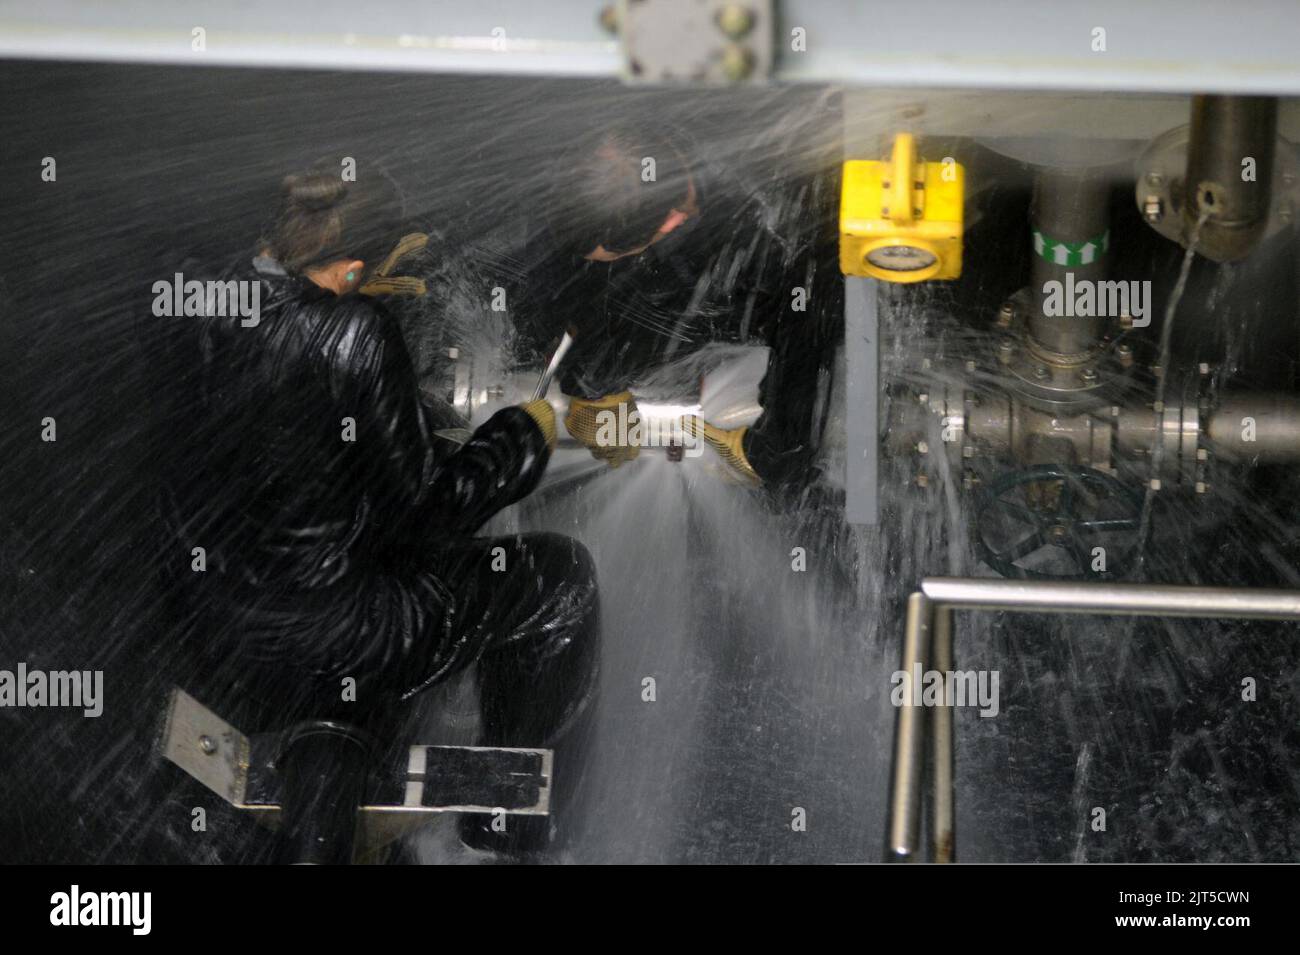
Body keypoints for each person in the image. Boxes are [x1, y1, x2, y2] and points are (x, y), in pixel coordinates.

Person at [157, 164, 600, 860]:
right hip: (344, 630)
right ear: (356, 266)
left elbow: (269, 434)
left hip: (213, 613)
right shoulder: (356, 333)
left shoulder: (187, 303)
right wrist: (522, 437)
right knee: (562, 580)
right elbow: (429, 511)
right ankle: (509, 828)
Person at [515, 125, 841, 490]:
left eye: (638, 243)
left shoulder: (768, 195)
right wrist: (588, 386)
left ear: (671, 220)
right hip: (686, 284)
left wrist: (781, 451)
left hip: (777, 281)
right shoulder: (589, 197)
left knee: (811, 299)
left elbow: (809, 307)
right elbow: (558, 288)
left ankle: (782, 460)